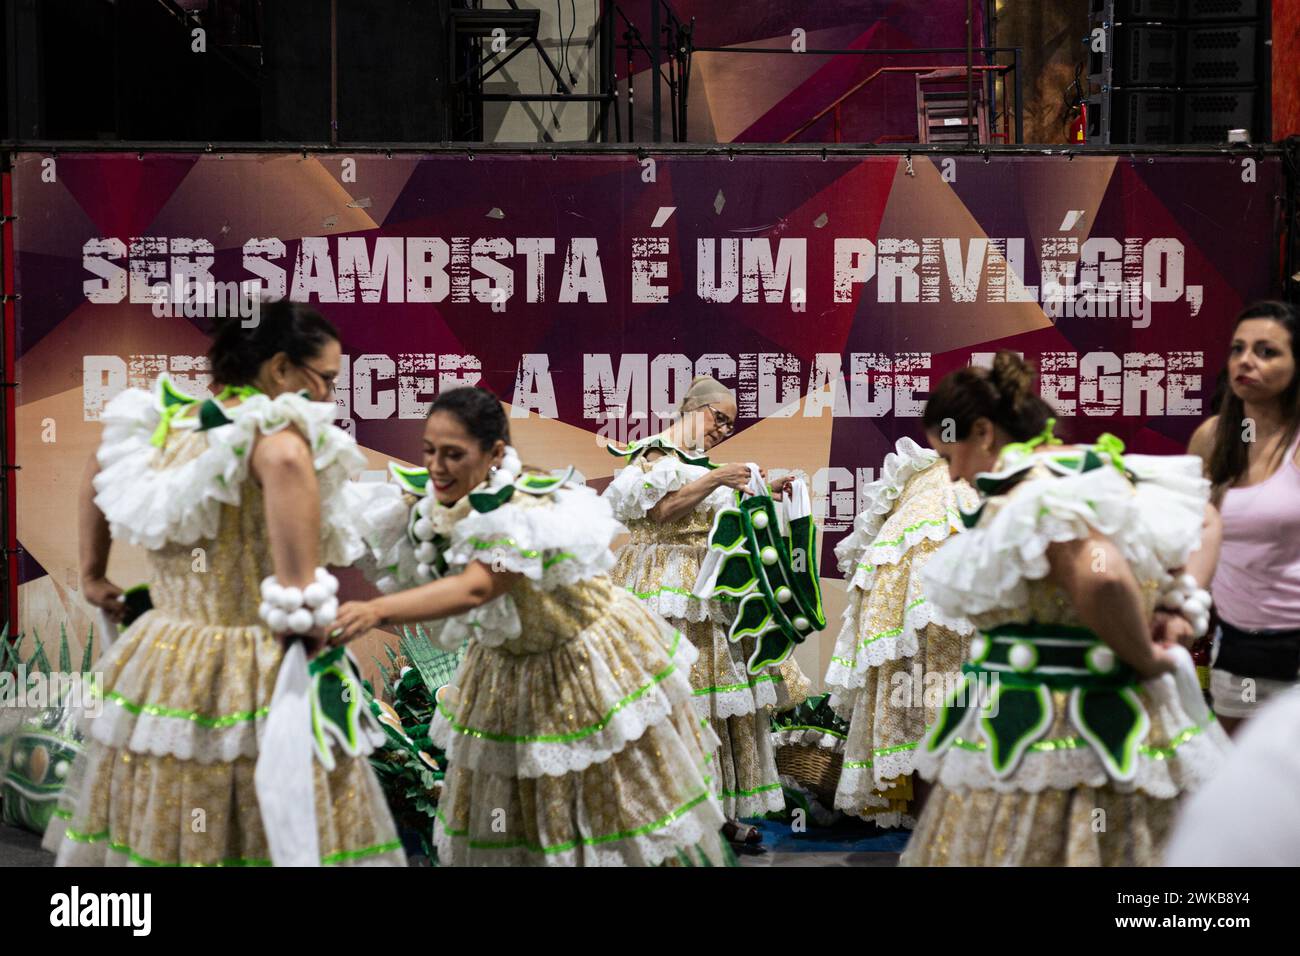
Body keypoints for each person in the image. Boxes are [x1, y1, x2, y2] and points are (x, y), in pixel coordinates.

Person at [49, 300, 404, 866]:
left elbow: (98, 464)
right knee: (269, 813)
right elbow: (299, 587)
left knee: (175, 803)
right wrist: (315, 643)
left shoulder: (165, 428)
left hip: (167, 658)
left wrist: (94, 575)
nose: (327, 397)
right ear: (282, 369)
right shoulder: (282, 446)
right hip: (258, 660)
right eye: (326, 379)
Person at [332, 386, 730, 866]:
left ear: (495, 453)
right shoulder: (448, 495)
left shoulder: (523, 507)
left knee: (604, 811)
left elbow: (482, 586)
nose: (437, 466)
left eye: (453, 454)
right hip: (511, 668)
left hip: (581, 665)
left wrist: (376, 612)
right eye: (430, 451)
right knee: (523, 813)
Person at [899, 351, 1229, 866]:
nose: (953, 475)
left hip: (1056, 723)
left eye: (949, 456)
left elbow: (1100, 577)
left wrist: (1143, 653)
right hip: (1120, 714)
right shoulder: (1095, 467)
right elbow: (1204, 516)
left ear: (983, 432)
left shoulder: (1031, 495)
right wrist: (1183, 604)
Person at [601, 375, 806, 849]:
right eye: (720, 419)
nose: (723, 430)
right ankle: (660, 812)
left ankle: (710, 815)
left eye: (730, 425)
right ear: (695, 409)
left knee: (710, 705)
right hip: (664, 587)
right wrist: (717, 477)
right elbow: (663, 512)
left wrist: (761, 490)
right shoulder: (652, 453)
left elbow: (706, 510)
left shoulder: (695, 463)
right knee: (673, 700)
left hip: (704, 586)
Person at [826, 437, 977, 827]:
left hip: (898, 588)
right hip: (944, 577)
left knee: (916, 711)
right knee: (958, 706)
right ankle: (953, 832)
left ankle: (932, 834)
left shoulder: (912, 475)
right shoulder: (980, 475)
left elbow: (863, 544)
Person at [1188, 301, 1300, 733]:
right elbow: (1194, 536)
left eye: (1267, 351)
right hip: (1238, 647)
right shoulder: (1212, 439)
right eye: (1238, 349)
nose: (1246, 360)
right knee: (1242, 787)